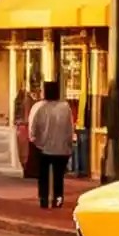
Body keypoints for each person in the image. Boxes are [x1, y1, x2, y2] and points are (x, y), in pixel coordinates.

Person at [28, 81, 74, 209]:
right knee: (58, 177)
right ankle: (58, 200)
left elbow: (33, 127)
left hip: (43, 147)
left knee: (43, 177)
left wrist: (35, 141)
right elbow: (69, 128)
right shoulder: (65, 107)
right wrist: (69, 143)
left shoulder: (39, 107)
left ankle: (43, 199)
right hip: (61, 148)